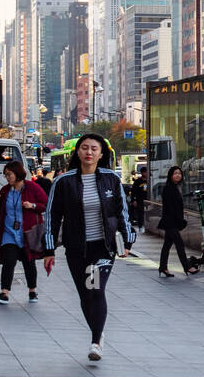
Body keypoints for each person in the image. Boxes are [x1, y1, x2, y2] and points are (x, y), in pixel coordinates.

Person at [41, 133, 135, 361]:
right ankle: (98, 333)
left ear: (101, 154)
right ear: (78, 152)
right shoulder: (64, 182)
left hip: (103, 248)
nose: (89, 152)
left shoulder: (111, 179)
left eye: (94, 148)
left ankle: (95, 342)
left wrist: (127, 239)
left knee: (95, 290)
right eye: (85, 148)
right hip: (76, 249)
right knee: (85, 295)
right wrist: (49, 249)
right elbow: (52, 217)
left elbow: (122, 212)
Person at [0, 160, 47, 304]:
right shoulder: (5, 190)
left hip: (27, 232)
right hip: (9, 232)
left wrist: (32, 205)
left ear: (17, 173)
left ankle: (32, 291)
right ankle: (4, 293)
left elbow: (45, 204)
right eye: (6, 175)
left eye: (9, 174)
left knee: (29, 262)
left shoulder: (32, 188)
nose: (8, 178)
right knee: (8, 261)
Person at [157, 165, 196, 278]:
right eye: (175, 173)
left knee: (167, 245)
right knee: (179, 244)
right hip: (170, 222)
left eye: (179, 173)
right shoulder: (169, 188)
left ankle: (163, 267)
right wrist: (179, 220)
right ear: (170, 176)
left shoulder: (174, 187)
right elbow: (170, 208)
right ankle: (187, 267)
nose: (178, 175)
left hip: (171, 221)